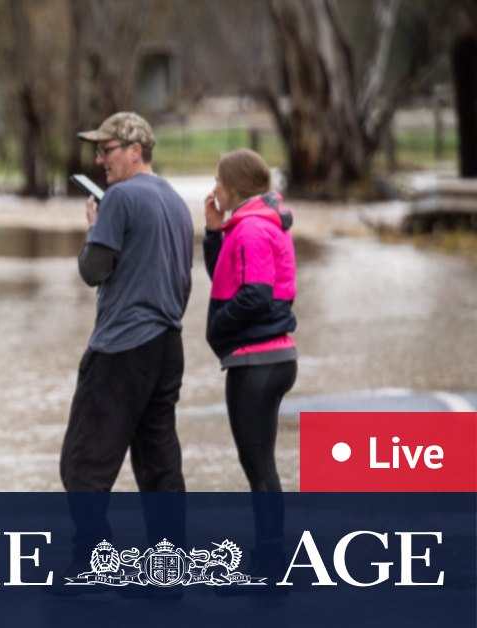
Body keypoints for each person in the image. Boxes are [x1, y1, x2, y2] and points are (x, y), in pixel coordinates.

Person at [60, 112, 193, 494]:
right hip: (168, 346)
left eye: (107, 150)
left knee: (82, 469)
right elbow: (182, 282)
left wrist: (93, 227)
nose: (99, 159)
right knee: (159, 468)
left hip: (122, 347)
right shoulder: (176, 202)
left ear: (135, 151)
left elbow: (93, 270)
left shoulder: (119, 197)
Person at [203, 148, 297, 579]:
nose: (214, 188)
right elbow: (227, 278)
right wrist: (213, 233)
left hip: (259, 361)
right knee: (259, 466)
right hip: (265, 358)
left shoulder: (254, 229)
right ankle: (268, 558)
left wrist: (218, 328)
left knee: (259, 470)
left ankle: (271, 569)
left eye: (218, 181)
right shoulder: (247, 224)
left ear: (235, 186)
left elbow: (255, 295)